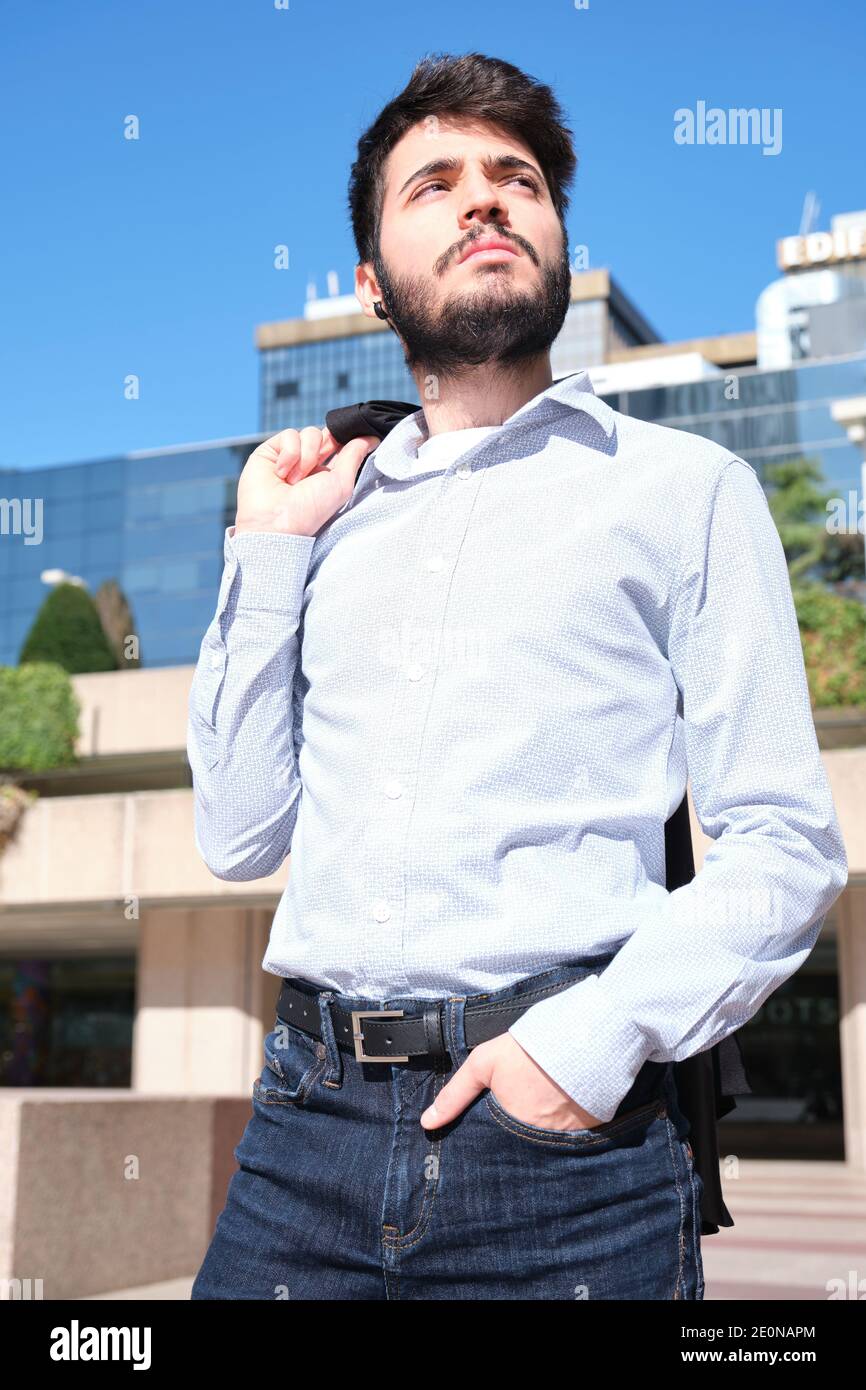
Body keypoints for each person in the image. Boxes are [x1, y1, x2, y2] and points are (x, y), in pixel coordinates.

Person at [187, 51, 847, 1300]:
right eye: (433, 182)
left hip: (563, 1151)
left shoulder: (681, 490)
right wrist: (266, 553)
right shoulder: (318, 519)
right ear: (373, 284)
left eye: (517, 179)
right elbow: (234, 831)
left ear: (557, 243)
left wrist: (584, 1049)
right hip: (299, 1133)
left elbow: (782, 844)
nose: (485, 199)